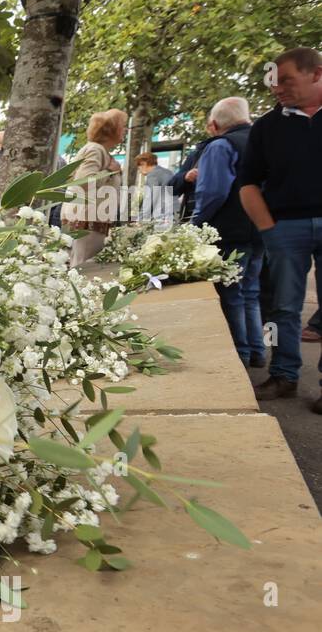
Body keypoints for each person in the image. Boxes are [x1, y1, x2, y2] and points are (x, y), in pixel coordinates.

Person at [238, 46, 322, 411]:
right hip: (285, 226)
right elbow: (248, 183)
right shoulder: (267, 127)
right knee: (283, 307)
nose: (277, 88)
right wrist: (268, 230)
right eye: (273, 82)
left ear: (316, 74)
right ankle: (284, 374)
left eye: (285, 79)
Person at [190, 97, 264, 367]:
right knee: (251, 292)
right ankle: (257, 351)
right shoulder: (262, 142)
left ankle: (240, 356)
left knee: (232, 294)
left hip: (231, 232)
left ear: (214, 124)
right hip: (260, 230)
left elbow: (213, 192)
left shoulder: (221, 146)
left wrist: (196, 225)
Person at [62, 108, 127, 267]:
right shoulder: (95, 149)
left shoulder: (100, 150)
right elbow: (83, 182)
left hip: (92, 220)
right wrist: (109, 172)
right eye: (122, 126)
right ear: (111, 129)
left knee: (82, 265)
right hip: (86, 220)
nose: (124, 130)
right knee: (82, 267)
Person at [134, 152, 175, 222]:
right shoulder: (168, 172)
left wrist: (140, 219)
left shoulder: (153, 175)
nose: (139, 171)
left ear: (144, 163)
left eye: (139, 168)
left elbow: (150, 199)